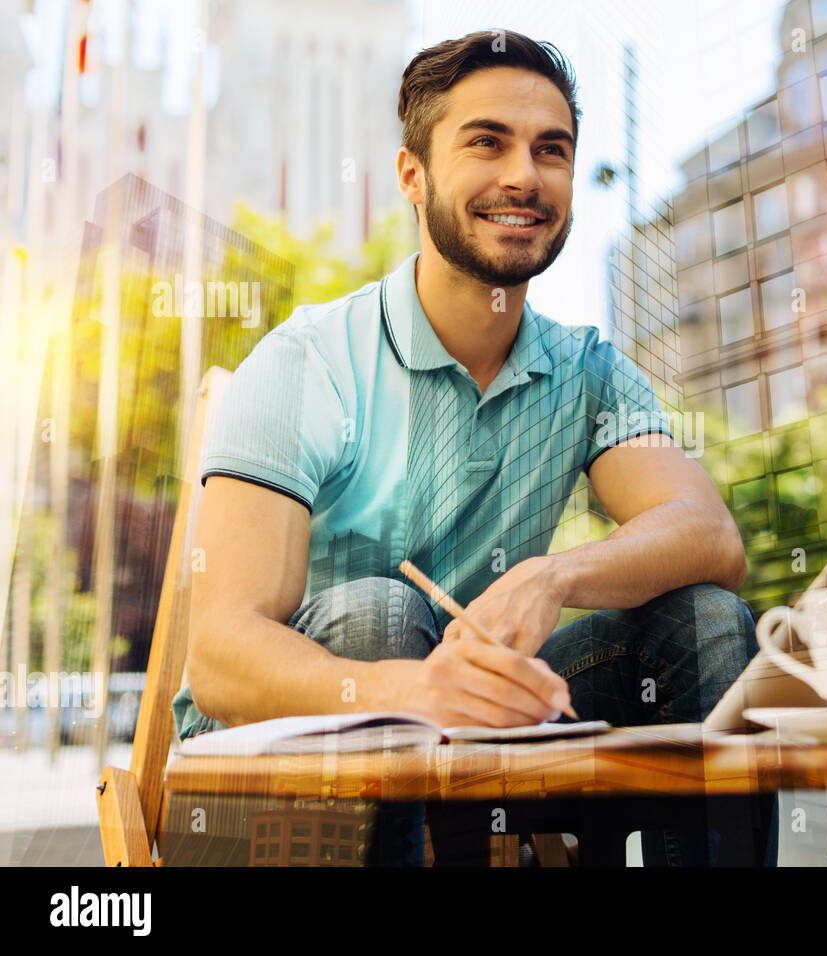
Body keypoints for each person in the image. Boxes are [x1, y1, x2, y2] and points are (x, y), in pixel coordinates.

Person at [172, 29, 762, 866]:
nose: (525, 174)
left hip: (481, 756)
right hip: (272, 783)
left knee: (704, 620)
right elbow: (224, 656)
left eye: (550, 150)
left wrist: (550, 575)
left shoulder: (586, 371)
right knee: (377, 612)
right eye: (488, 142)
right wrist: (418, 690)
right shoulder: (306, 363)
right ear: (413, 175)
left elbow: (710, 535)